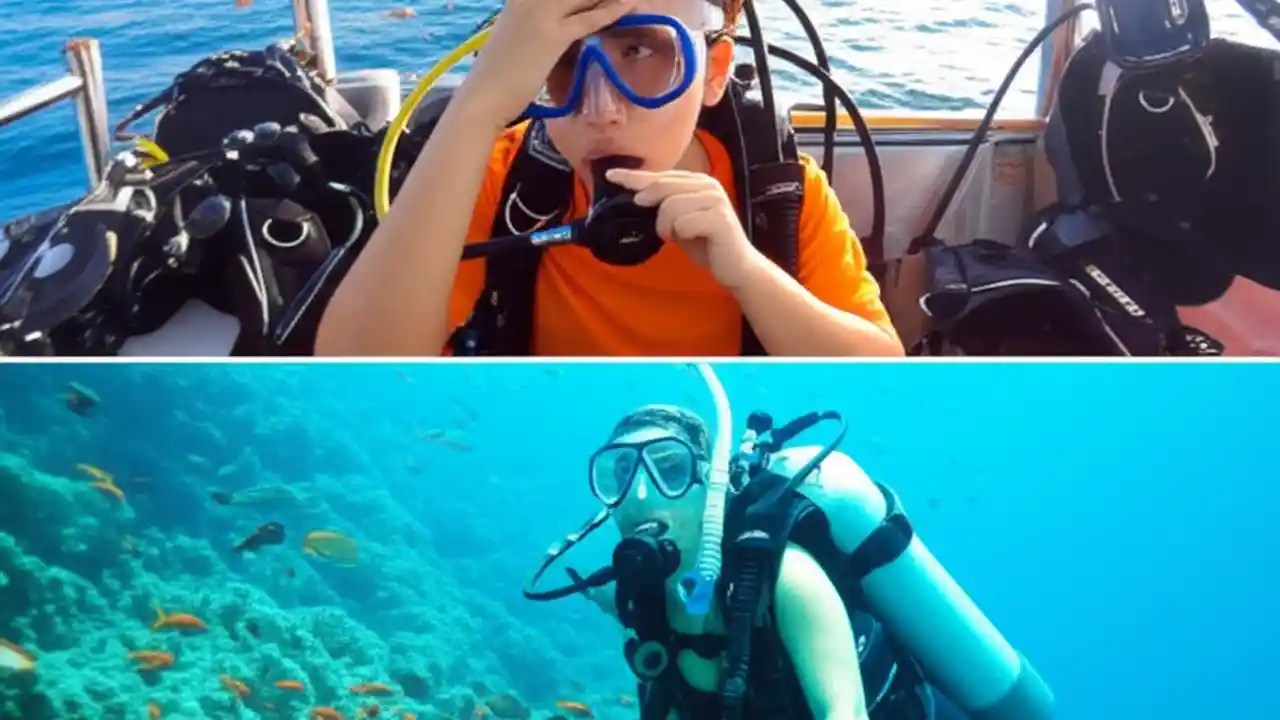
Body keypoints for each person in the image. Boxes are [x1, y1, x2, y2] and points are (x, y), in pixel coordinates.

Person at [315, 0, 905, 357]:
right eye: (565, 60)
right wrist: (478, 107)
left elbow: (884, 379)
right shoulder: (496, 175)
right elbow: (353, 368)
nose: (599, 109)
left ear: (713, 73)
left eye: (642, 52)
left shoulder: (777, 196)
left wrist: (751, 276)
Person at [566, 404, 951, 720]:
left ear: (712, 483)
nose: (640, 493)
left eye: (669, 469)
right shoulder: (642, 602)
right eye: (620, 474)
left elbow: (844, 713)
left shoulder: (783, 576)